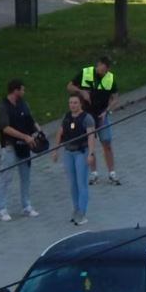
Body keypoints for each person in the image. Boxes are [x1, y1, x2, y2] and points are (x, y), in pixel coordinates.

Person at [67, 56, 119, 185]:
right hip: (86, 115)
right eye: (103, 69)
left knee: (107, 142)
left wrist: (107, 111)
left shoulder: (110, 78)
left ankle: (112, 173)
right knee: (89, 145)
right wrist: (81, 91)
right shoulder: (86, 73)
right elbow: (69, 87)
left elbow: (116, 98)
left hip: (101, 115)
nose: (104, 72)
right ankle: (94, 173)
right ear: (99, 65)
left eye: (107, 70)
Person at [0, 79, 41, 222]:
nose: (23, 92)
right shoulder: (3, 106)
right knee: (5, 177)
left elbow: (30, 120)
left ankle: (26, 206)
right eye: (22, 89)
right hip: (10, 146)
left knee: (25, 177)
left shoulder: (23, 104)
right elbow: (5, 128)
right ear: (15, 90)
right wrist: (25, 136)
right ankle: (1, 209)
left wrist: (38, 131)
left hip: (24, 147)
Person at [52, 95, 96, 226]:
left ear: (80, 104)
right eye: (71, 103)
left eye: (75, 103)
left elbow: (91, 136)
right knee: (72, 183)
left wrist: (91, 154)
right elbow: (60, 133)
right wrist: (55, 150)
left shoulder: (87, 118)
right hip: (68, 152)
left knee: (81, 182)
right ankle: (76, 209)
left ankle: (82, 212)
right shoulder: (67, 117)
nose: (73, 105)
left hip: (81, 153)